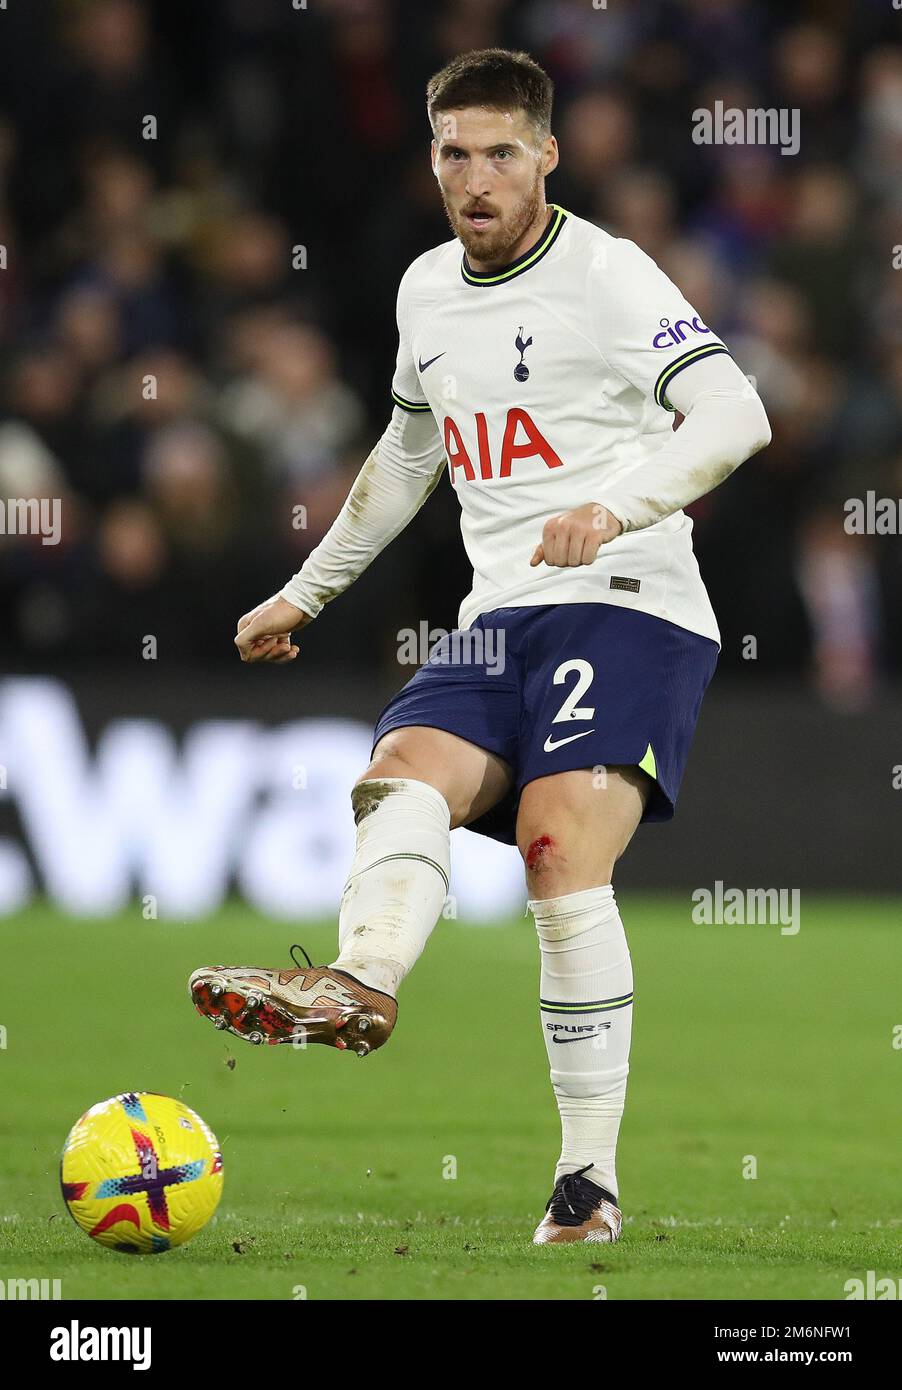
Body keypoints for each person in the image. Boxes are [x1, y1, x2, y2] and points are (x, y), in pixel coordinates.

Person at [188, 49, 771, 1245]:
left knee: (557, 849)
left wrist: (615, 506)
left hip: (628, 598)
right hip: (497, 612)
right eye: (454, 152)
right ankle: (360, 981)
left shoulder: (608, 275)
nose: (475, 177)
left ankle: (585, 1181)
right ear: (433, 159)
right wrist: (306, 591)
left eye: (501, 151)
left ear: (546, 156)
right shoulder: (422, 292)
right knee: (397, 777)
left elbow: (735, 413)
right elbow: (410, 456)